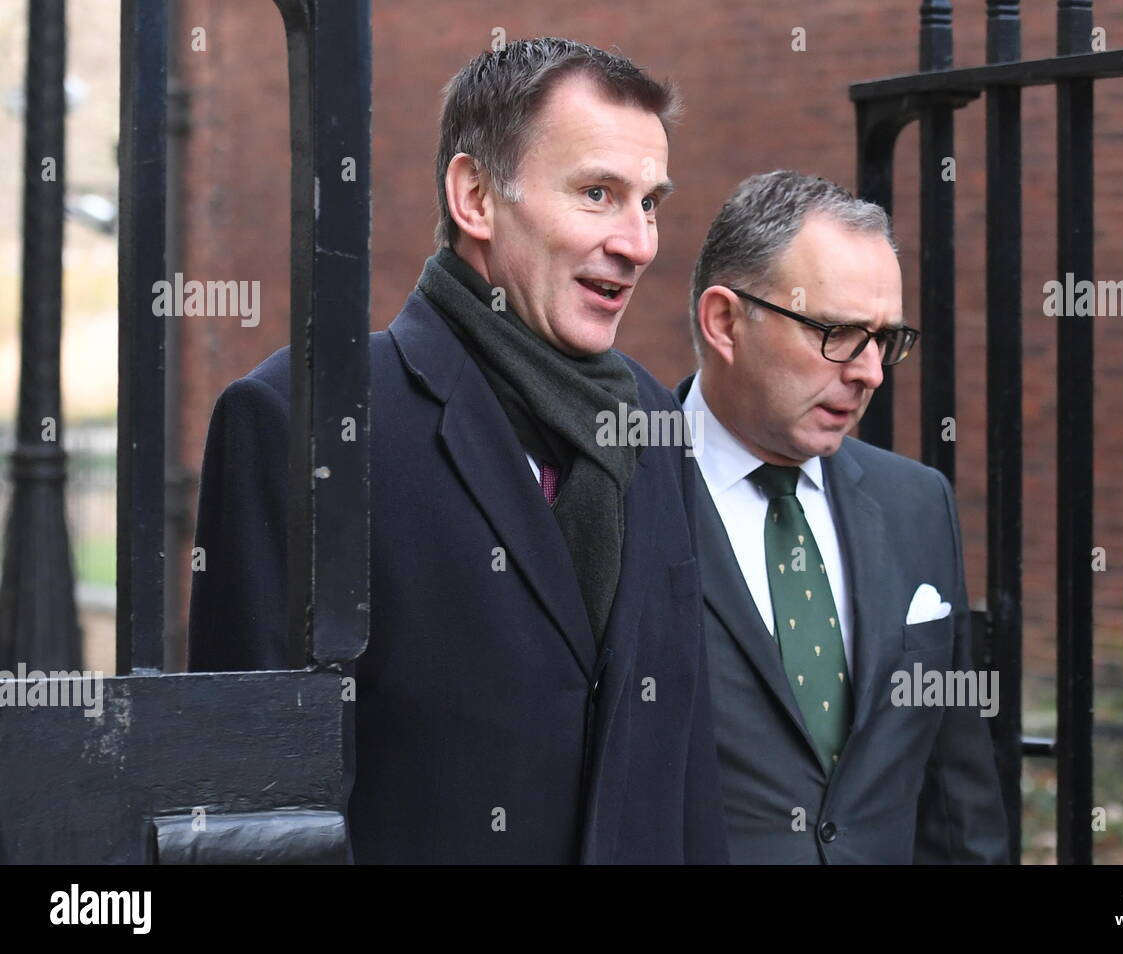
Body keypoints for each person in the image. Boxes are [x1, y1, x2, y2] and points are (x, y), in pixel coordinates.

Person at [189, 37, 728, 865]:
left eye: (649, 203)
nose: (641, 242)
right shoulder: (301, 421)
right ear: (475, 196)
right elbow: (248, 805)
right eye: (598, 194)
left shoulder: (655, 419)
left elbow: (681, 761)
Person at [677, 170, 1007, 863]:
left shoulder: (916, 504)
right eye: (837, 333)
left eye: (885, 339)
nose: (870, 373)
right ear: (725, 321)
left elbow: (958, 794)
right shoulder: (615, 493)